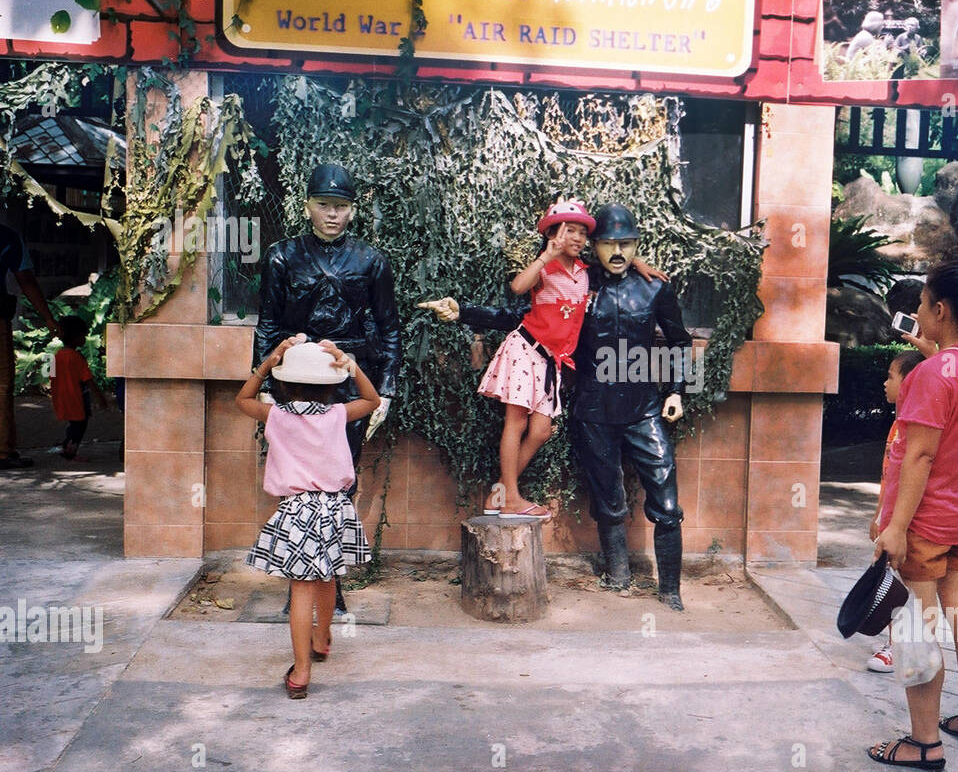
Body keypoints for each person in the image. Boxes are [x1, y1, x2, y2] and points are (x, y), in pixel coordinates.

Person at [427, 203, 693, 611]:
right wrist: (464, 311)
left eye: (627, 244)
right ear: (595, 248)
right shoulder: (581, 284)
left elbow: (679, 340)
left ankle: (670, 589)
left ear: (637, 245)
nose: (618, 252)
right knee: (608, 497)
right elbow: (519, 315)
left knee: (667, 503)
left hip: (644, 409)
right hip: (593, 409)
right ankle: (618, 574)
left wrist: (676, 391)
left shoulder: (655, 287)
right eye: (609, 244)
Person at [867, 259, 958, 771]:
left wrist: (895, 526)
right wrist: (936, 356)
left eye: (923, 305)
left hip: (924, 522)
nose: (918, 312)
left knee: (915, 632)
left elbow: (920, 456)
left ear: (941, 309)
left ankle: (924, 742)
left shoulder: (929, 376)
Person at [255, 163, 401, 612]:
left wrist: (387, 389)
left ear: (352, 210)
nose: (332, 214)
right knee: (297, 484)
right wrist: (263, 385)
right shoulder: (282, 256)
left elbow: (390, 327)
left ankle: (331, 584)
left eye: (340, 207)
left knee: (340, 480)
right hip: (294, 382)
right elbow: (268, 325)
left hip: (348, 379)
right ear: (307, 207)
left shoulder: (370, 260)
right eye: (323, 205)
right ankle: (298, 583)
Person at [236, 336, 381, 700]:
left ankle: (301, 673)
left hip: (298, 509)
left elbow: (242, 400)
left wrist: (268, 363)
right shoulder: (337, 414)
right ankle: (322, 638)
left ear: (283, 383)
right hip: (336, 507)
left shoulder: (276, 416)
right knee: (327, 575)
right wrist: (349, 362)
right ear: (332, 384)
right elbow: (372, 400)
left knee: (300, 588)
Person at [474, 200, 596, 518]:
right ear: (553, 232)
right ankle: (511, 499)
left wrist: (638, 263)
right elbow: (517, 287)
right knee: (517, 422)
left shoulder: (584, 273)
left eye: (583, 232)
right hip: (526, 351)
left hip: (550, 362)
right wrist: (546, 256)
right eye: (571, 230)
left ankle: (499, 493)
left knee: (541, 430)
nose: (578, 238)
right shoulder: (545, 268)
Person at [867, 349, 926, 674]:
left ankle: (898, 646)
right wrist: (879, 516)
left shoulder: (917, 429)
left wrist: (898, 524)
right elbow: (887, 476)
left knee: (901, 585)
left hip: (908, 526)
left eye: (892, 376)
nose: (885, 382)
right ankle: (897, 641)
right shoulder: (897, 425)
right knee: (889, 581)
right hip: (890, 520)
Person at [1, 217, 63, 469]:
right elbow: (26, 280)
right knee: (2, 384)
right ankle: (2, 451)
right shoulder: (6, 237)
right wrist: (48, 318)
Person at [50, 315, 108, 461]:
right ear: (76, 337)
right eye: (83, 335)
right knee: (80, 425)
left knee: (73, 423)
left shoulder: (56, 355)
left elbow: (51, 376)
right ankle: (70, 450)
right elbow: (88, 379)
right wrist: (100, 398)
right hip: (77, 398)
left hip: (62, 397)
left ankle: (67, 446)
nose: (85, 338)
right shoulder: (77, 357)